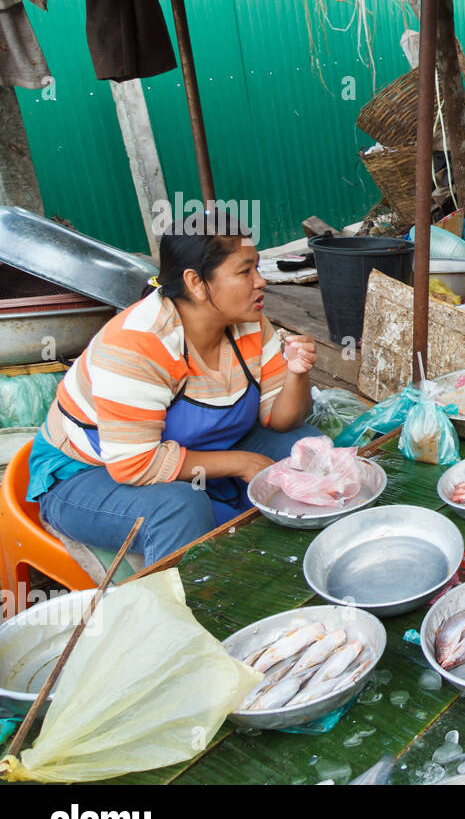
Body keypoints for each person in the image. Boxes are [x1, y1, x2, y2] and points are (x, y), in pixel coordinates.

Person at [27, 209, 324, 565]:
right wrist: (242, 463)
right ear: (197, 283)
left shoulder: (248, 323)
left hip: (192, 449)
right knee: (180, 506)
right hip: (89, 475)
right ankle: (185, 612)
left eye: (257, 268)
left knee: (303, 448)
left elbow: (281, 420)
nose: (260, 281)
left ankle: (305, 560)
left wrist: (297, 372)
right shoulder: (136, 345)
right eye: (245, 271)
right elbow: (134, 465)